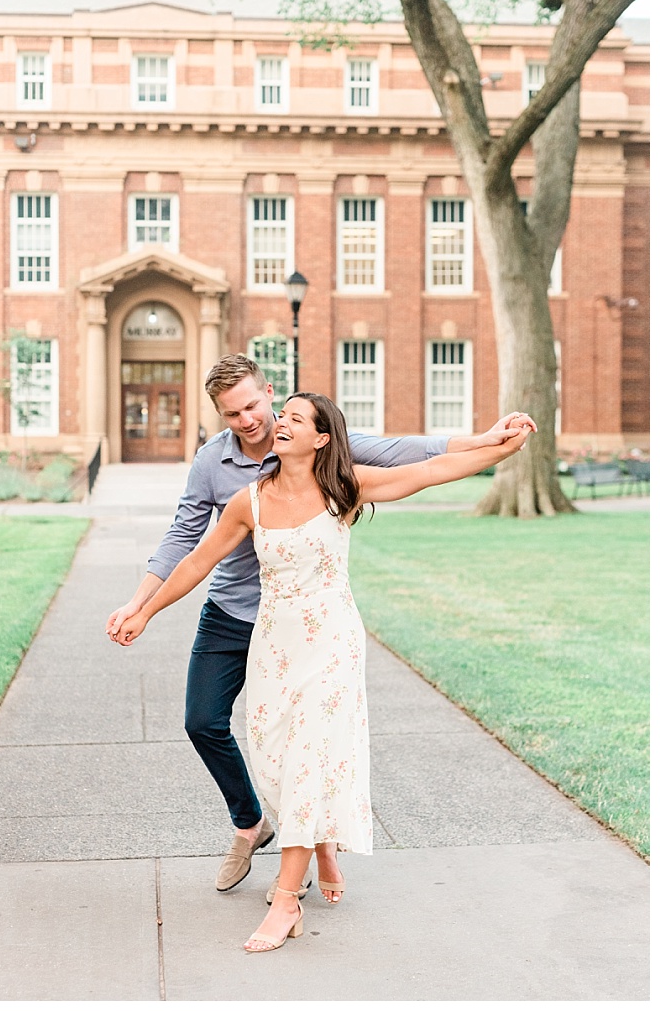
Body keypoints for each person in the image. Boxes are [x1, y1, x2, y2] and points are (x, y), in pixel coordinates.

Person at [106, 390, 531, 951]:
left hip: (331, 644)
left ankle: (285, 902)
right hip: (273, 647)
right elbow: (196, 562)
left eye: (295, 419)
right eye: (281, 415)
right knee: (274, 757)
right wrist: (143, 610)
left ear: (321, 438)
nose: (279, 423)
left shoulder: (344, 488)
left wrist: (502, 447)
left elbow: (432, 469)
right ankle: (323, 841)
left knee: (307, 757)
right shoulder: (249, 501)